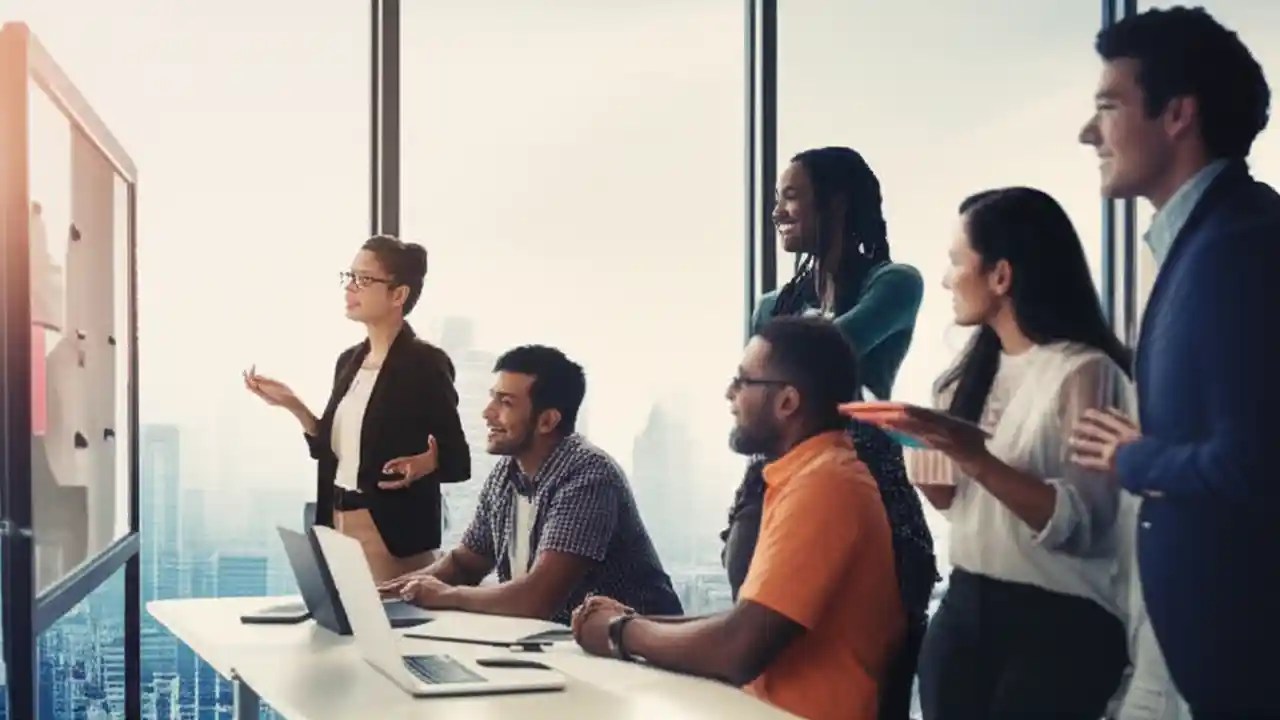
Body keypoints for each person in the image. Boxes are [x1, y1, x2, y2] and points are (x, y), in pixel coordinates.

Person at [850, 188, 1132, 719]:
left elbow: (1085, 523)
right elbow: (963, 508)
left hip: (1057, 630)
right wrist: (927, 460)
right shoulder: (963, 379)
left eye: (957, 262)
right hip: (964, 612)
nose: (946, 279)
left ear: (1001, 276)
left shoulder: (1086, 373)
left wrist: (975, 457)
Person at [1070, 7, 1279, 718]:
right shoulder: (1211, 241)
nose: (1088, 133)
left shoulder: (1238, 250)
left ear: (1178, 114)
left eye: (1108, 106)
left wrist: (1137, 461)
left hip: (1239, 663)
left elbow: (1256, 463)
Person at [574, 316, 904, 720]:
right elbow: (750, 619)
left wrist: (619, 633)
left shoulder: (826, 484)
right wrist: (629, 620)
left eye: (743, 381)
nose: (729, 394)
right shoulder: (807, 474)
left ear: (787, 401)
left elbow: (739, 647)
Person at [721, 146, 935, 720]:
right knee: (770, 657)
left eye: (790, 196)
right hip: (775, 487)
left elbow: (824, 357)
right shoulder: (772, 305)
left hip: (872, 486)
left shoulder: (895, 284)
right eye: (774, 200)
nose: (777, 213)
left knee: (873, 671)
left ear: (835, 203)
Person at [379, 345, 681, 624]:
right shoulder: (506, 473)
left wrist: (445, 595)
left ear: (547, 421)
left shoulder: (588, 476)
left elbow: (536, 599)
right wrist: (388, 594)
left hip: (634, 658)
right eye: (492, 397)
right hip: (558, 648)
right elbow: (464, 564)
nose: (487, 412)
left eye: (505, 402)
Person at [243, 235, 470, 582]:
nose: (350, 288)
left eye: (364, 279)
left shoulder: (425, 363)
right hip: (337, 523)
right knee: (343, 630)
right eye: (349, 277)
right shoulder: (349, 361)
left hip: (389, 535)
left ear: (398, 295)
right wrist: (294, 406)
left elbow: (458, 459)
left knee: (389, 632)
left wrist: (426, 463)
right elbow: (329, 450)